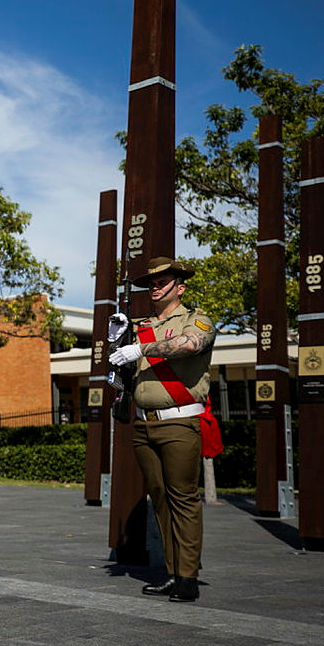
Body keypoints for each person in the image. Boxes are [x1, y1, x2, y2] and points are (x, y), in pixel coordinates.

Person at [108, 256, 218, 603]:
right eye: (151, 284)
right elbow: (122, 368)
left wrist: (140, 347)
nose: (154, 289)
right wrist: (117, 338)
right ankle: (173, 572)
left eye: (161, 283)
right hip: (144, 423)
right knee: (160, 500)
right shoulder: (140, 325)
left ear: (179, 288)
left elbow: (190, 344)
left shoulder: (196, 319)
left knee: (183, 499)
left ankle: (188, 577)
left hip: (180, 421)